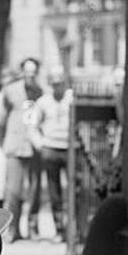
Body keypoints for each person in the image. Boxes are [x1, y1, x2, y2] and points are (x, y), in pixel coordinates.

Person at [0, 57, 44, 240]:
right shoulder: (10, 91)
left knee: (34, 189)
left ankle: (32, 228)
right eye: (27, 72)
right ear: (22, 72)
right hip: (15, 145)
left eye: (33, 72)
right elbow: (1, 117)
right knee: (13, 190)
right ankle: (13, 229)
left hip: (34, 146)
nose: (30, 76)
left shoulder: (40, 92)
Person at [34, 64, 72, 241]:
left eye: (60, 81)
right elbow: (33, 126)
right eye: (54, 81)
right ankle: (59, 228)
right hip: (50, 148)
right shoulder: (43, 102)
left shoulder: (72, 98)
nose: (57, 84)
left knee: (74, 188)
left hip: (69, 148)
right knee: (54, 190)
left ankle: (73, 229)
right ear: (50, 83)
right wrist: (40, 144)